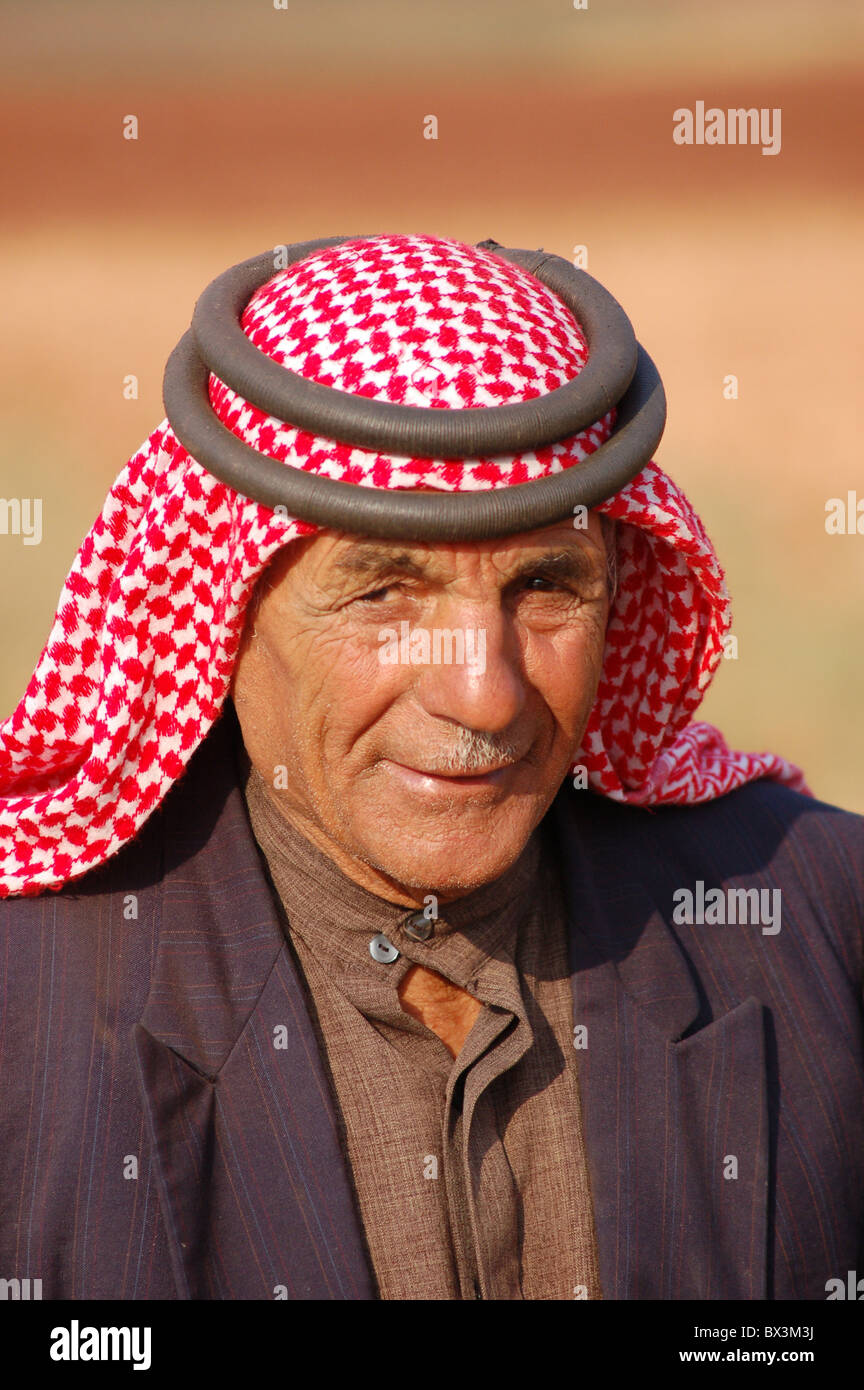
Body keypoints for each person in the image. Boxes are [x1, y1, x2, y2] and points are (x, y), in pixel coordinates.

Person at [0, 233, 861, 1302]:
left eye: (547, 582)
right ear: (223, 608)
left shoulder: (824, 922)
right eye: (382, 593)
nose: (485, 694)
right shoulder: (29, 1011)